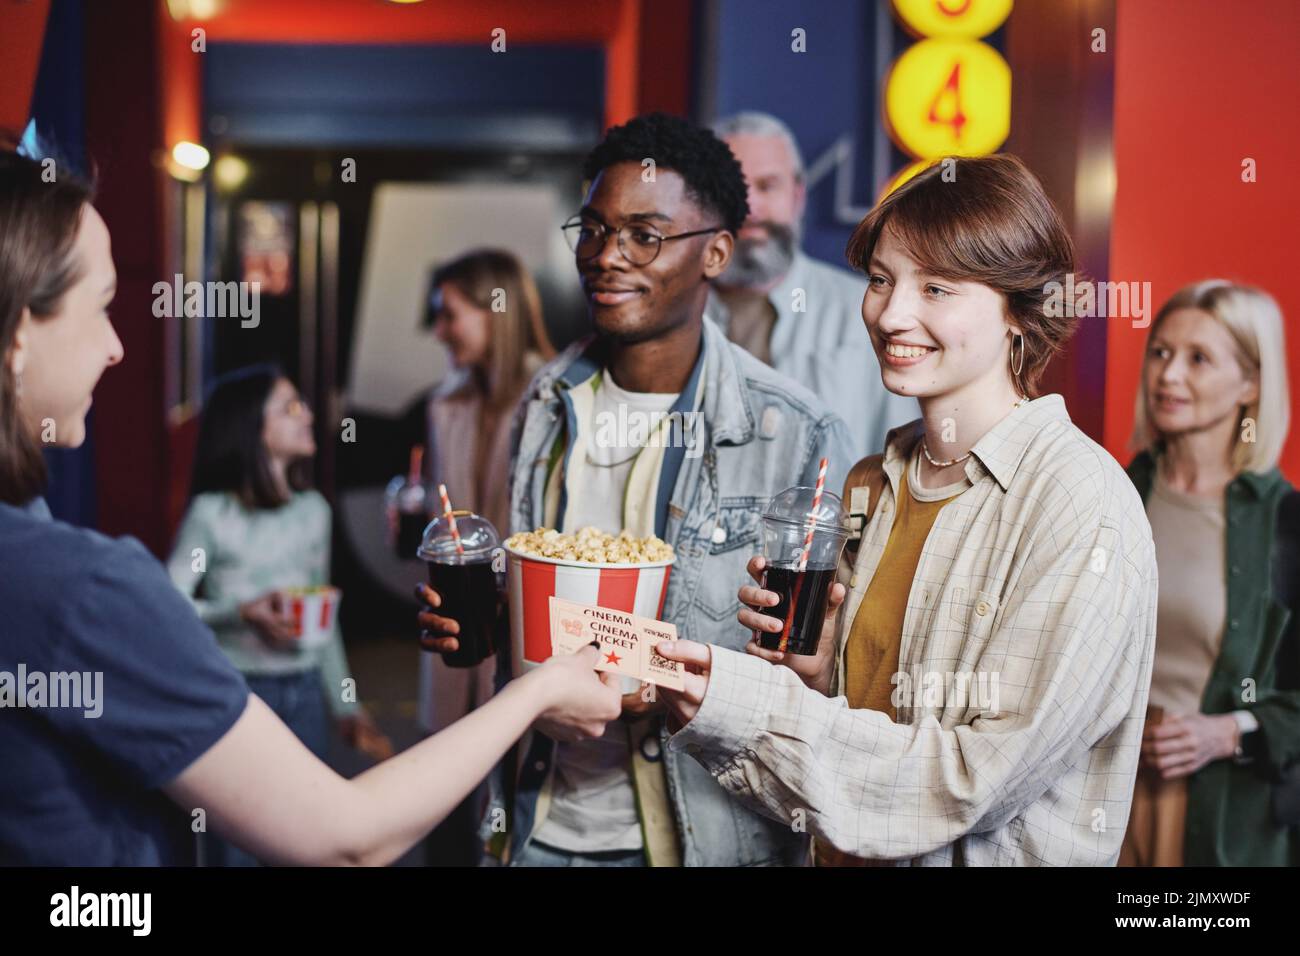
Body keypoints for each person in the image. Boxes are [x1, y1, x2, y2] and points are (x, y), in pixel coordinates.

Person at [0, 146, 622, 866]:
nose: (115, 348)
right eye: (103, 306)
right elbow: (345, 838)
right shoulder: (84, 590)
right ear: (18, 333)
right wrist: (539, 692)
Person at [654, 153, 1160, 866]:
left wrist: (739, 707)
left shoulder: (1081, 505)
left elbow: (969, 781)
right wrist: (815, 669)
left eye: (938, 288)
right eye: (882, 280)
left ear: (1020, 311)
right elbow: (865, 723)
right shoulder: (869, 483)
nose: (892, 314)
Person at [419, 112, 852, 867]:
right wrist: (492, 617)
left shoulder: (794, 431)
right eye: (592, 229)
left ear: (716, 251)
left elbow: (822, 681)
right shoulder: (547, 400)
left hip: (700, 834)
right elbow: (540, 587)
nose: (606, 256)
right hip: (536, 822)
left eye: (644, 235)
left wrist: (714, 677)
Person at [167, 364, 391, 865]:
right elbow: (172, 600)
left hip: (305, 694)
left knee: (306, 843)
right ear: (252, 428)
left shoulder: (314, 512)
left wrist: (345, 705)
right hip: (238, 694)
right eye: (290, 407)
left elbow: (324, 617)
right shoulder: (212, 514)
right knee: (238, 847)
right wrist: (240, 612)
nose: (307, 414)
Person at [1120, 280, 1300, 866]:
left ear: (1250, 383)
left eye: (1199, 359)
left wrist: (1228, 733)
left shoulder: (1286, 523)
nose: (1169, 376)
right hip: (1101, 791)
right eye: (1161, 353)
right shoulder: (1114, 491)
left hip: (1221, 820)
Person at [709, 111, 917, 460]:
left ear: (798, 196)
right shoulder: (671, 312)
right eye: (732, 188)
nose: (750, 207)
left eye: (767, 186)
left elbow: (902, 456)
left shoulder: (869, 310)